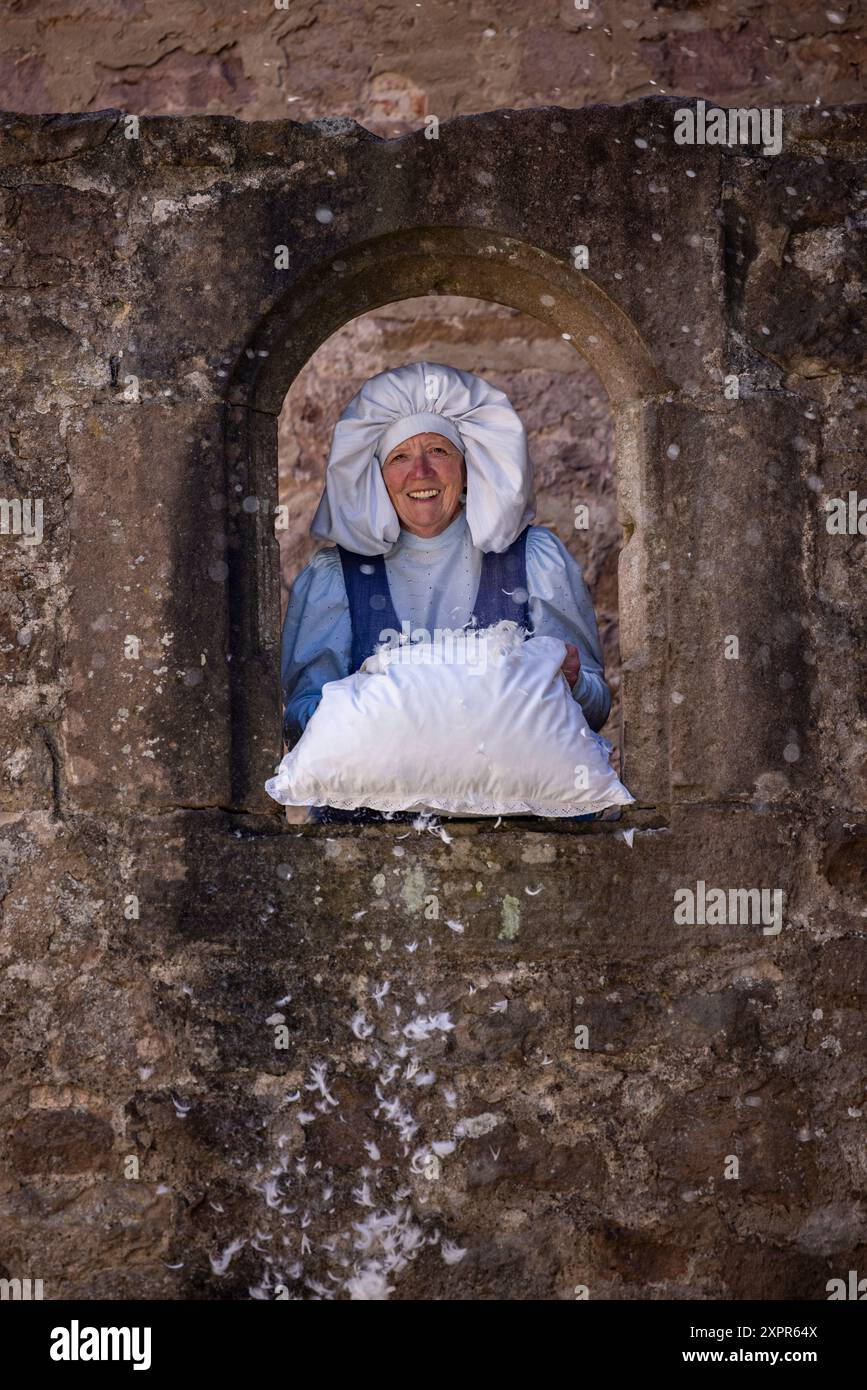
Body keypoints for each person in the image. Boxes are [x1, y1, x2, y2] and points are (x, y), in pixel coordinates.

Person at [279, 361, 612, 821]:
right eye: (399, 457)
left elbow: (594, 707)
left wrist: (573, 681)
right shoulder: (336, 577)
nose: (420, 472)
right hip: (368, 838)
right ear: (378, 475)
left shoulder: (534, 558)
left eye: (437, 450)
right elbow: (301, 716)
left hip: (523, 833)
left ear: (467, 467)